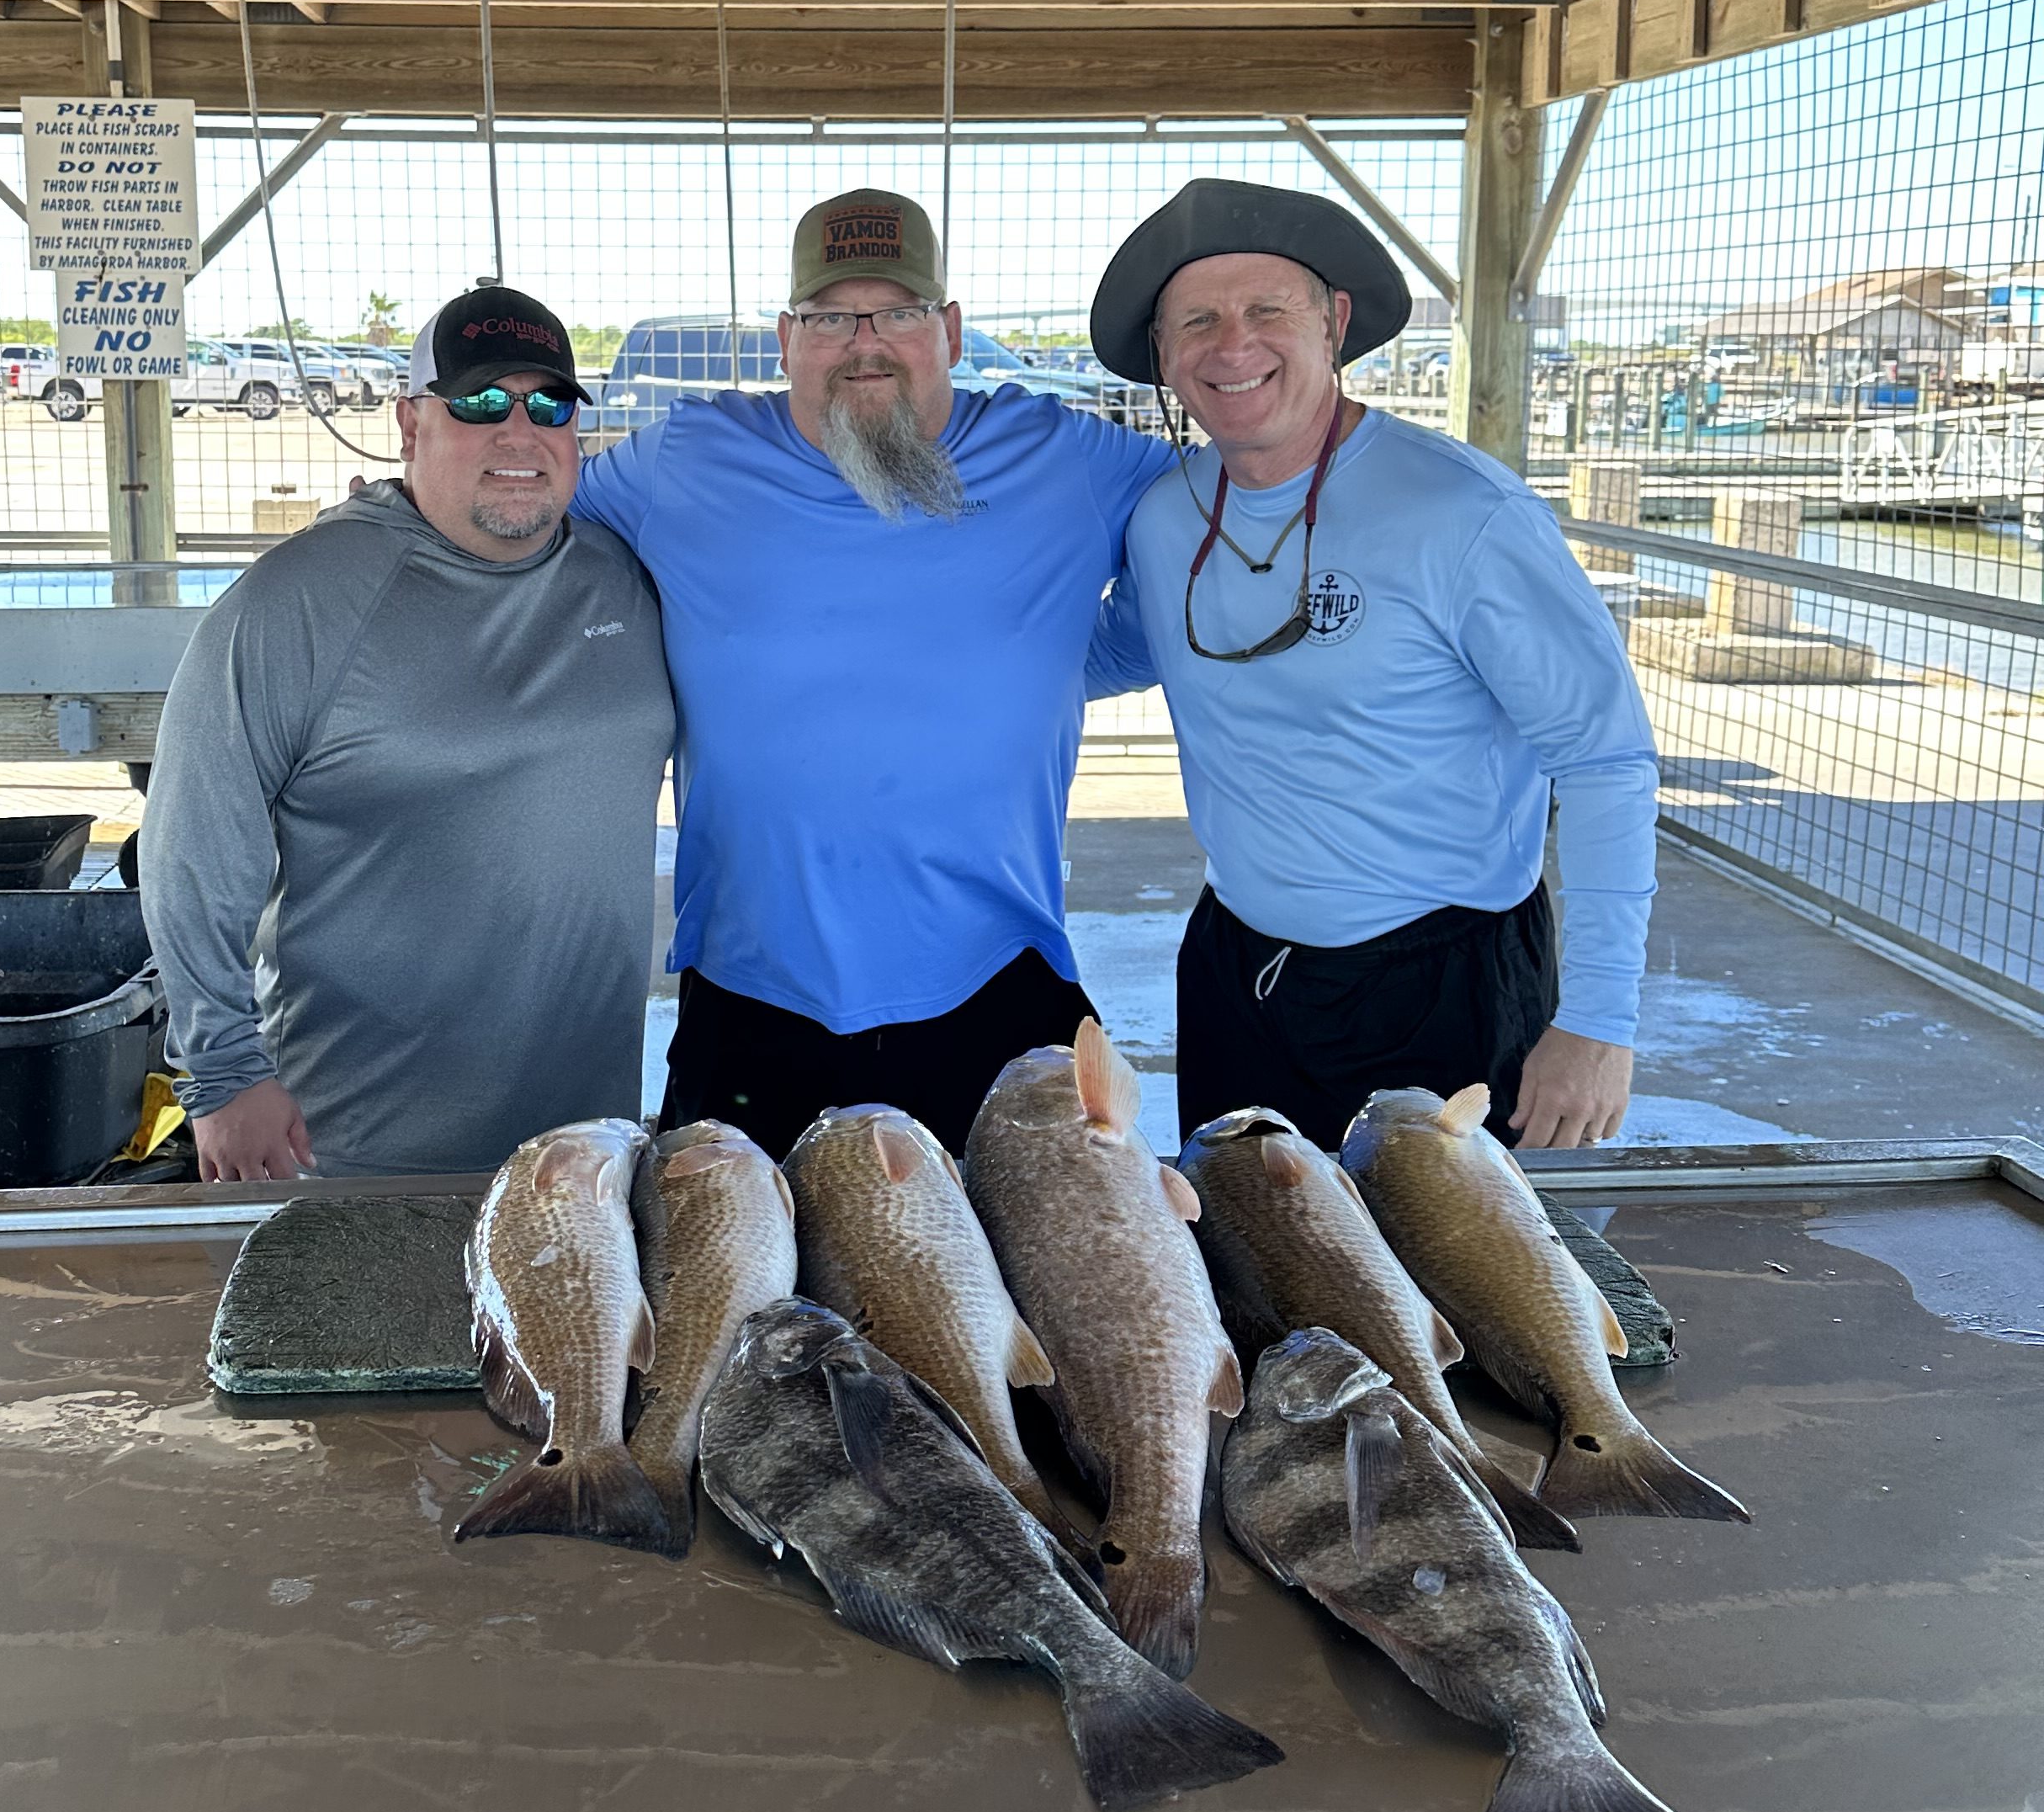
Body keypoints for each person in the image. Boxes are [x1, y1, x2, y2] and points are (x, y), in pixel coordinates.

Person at [573, 185, 1169, 1159]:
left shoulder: (1065, 457)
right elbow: (531, 536)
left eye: (899, 312)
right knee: (744, 1301)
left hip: (996, 976)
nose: (866, 343)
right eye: (831, 318)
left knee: (1045, 1296)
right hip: (755, 983)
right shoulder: (685, 458)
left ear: (952, 329)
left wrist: (1056, 664)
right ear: (785, 336)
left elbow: (1215, 542)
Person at [1089, 178, 1658, 1156]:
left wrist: (1600, 1020)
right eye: (1198, 322)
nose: (1234, 346)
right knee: (1255, 1278)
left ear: (1334, 323)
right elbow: (1118, 651)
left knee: (1442, 1300)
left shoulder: (1462, 514)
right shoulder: (1165, 511)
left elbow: (1605, 760)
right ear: (1163, 355)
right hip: (1237, 965)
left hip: (1446, 978)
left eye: (1267, 310)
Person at [143, 280, 672, 1180]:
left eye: (548, 404)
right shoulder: (294, 602)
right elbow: (191, 848)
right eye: (477, 402)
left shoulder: (628, 578)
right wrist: (223, 1076)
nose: (518, 431)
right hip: (356, 1152)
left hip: (582, 1155)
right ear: (410, 425)